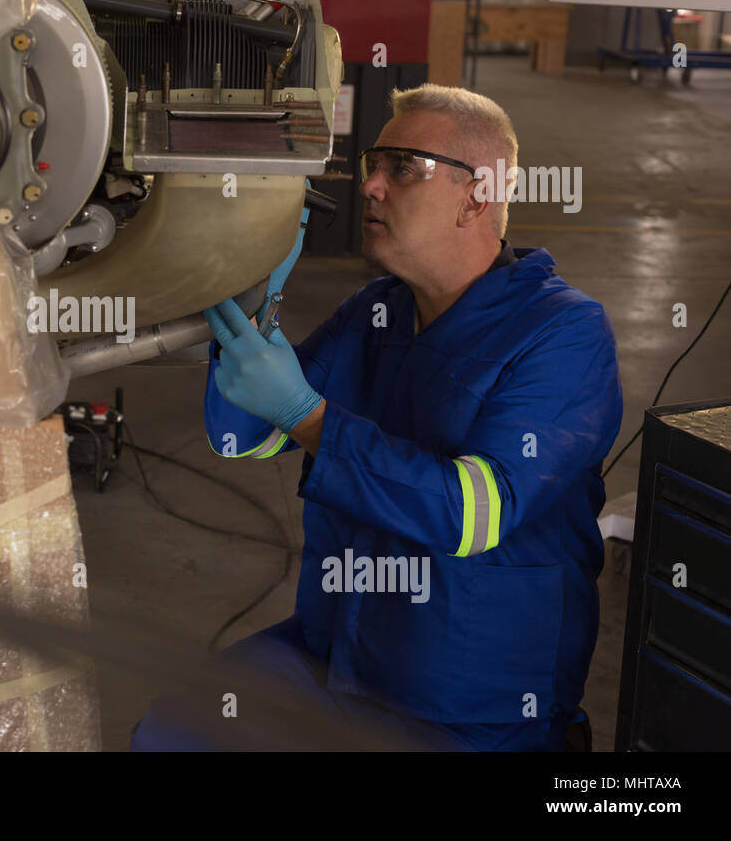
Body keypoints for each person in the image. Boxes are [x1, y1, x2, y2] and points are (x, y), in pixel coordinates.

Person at [131, 84, 623, 751]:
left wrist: (308, 416)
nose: (370, 187)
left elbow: (473, 510)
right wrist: (250, 298)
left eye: (402, 167)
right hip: (340, 653)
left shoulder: (564, 334)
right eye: (371, 164)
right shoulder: (376, 311)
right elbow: (244, 437)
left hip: (470, 699)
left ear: (479, 193)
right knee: (171, 734)